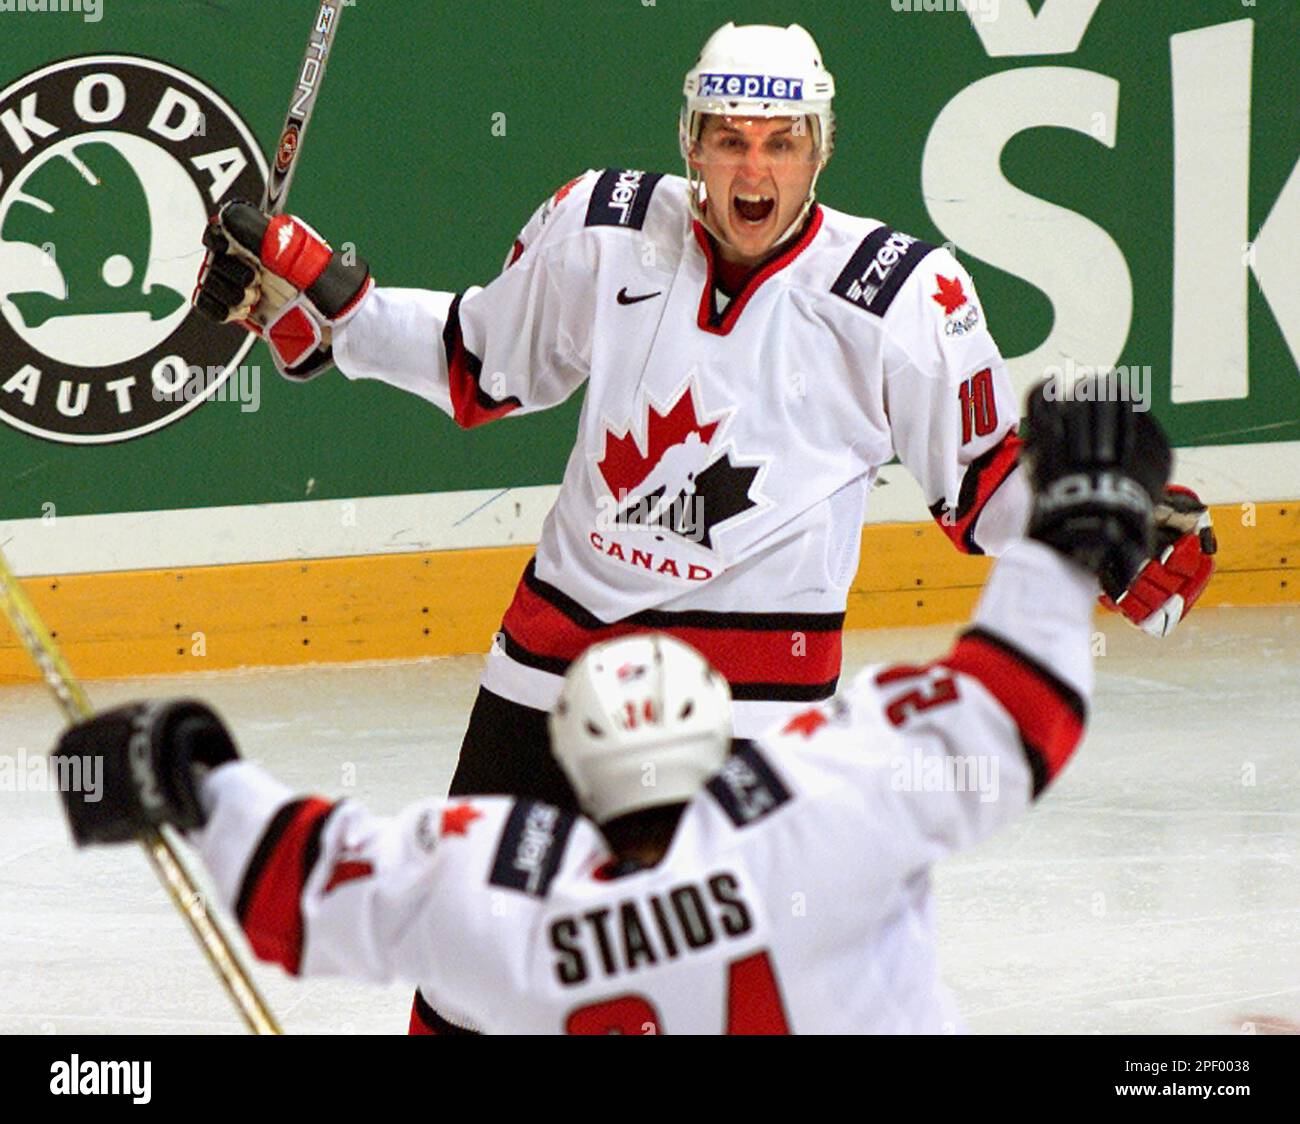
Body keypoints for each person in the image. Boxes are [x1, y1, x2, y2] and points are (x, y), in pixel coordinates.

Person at [191, 21, 1214, 1030]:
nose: (753, 167)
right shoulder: (603, 226)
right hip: (554, 672)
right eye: (728, 139)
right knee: (470, 980)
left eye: (780, 142)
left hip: (755, 707)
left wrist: (1107, 541)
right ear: (691, 145)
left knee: (725, 991)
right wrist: (323, 299)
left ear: (820, 146)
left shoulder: (900, 295)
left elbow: (984, 489)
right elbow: (474, 363)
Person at [56, 383, 1172, 1034]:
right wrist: (1069, 548)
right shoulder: (831, 796)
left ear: (570, 763)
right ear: (722, 733)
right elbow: (1012, 711)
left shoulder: (494, 882)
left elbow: (301, 878)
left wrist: (182, 770)